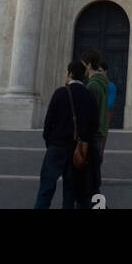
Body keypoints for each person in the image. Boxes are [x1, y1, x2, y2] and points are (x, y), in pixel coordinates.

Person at [34, 60, 99, 209]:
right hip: (76, 150)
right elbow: (93, 126)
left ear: (70, 74)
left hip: (57, 147)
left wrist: (50, 142)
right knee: (70, 192)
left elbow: (48, 122)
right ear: (84, 76)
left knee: (45, 189)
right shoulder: (89, 96)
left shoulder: (60, 93)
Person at [82, 49, 110, 197]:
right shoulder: (103, 83)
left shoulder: (92, 86)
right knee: (95, 169)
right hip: (100, 130)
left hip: (93, 133)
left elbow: (89, 113)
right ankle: (96, 199)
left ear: (88, 65)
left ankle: (92, 200)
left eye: (83, 65)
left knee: (89, 172)